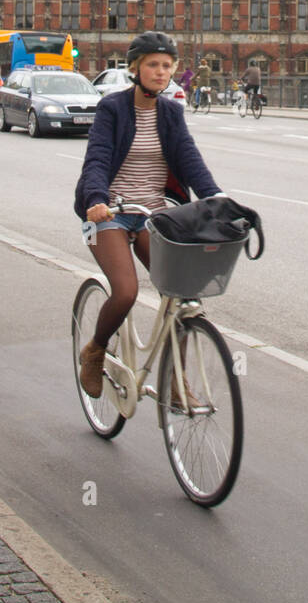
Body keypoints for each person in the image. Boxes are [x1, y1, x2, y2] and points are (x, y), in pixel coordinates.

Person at [73, 31, 220, 397]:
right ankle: (95, 350)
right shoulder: (113, 108)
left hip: (153, 214)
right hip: (110, 212)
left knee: (184, 294)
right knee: (125, 291)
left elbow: (190, 160)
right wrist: (96, 198)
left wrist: (216, 198)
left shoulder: (171, 112)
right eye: (153, 65)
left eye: (167, 66)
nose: (160, 72)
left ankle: (175, 379)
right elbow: (98, 158)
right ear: (136, 68)